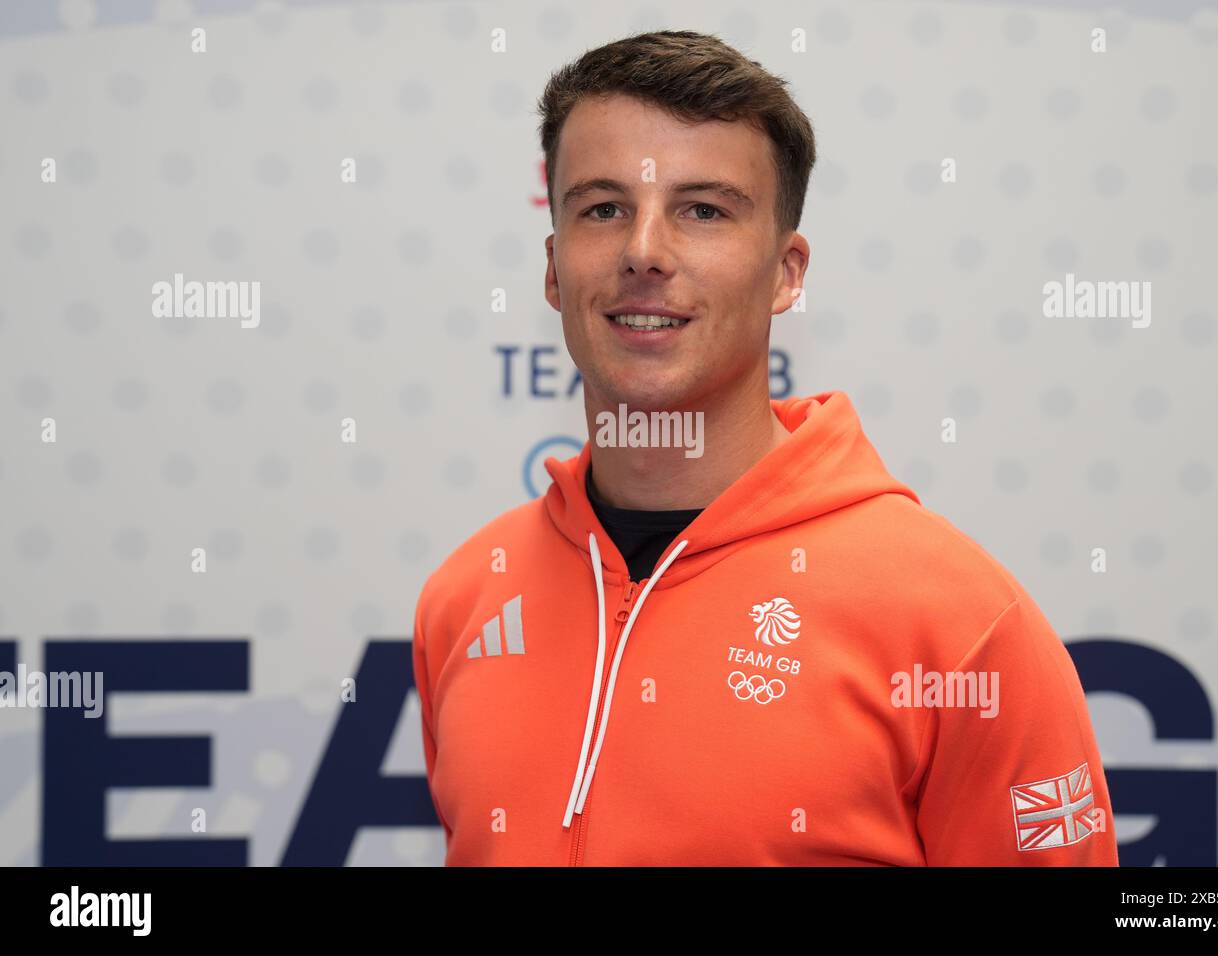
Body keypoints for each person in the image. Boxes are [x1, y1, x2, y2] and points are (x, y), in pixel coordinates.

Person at [412, 30, 1118, 866]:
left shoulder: (955, 622)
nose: (644, 252)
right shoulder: (467, 599)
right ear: (555, 267)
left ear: (787, 273)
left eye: (703, 210)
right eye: (602, 208)